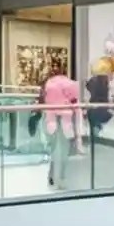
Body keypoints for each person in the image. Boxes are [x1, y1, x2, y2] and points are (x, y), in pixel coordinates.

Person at [39, 60, 80, 188]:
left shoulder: (48, 83)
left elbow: (43, 100)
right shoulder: (70, 83)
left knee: (54, 148)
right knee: (64, 150)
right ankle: (61, 178)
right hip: (65, 119)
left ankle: (51, 174)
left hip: (51, 118)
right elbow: (74, 100)